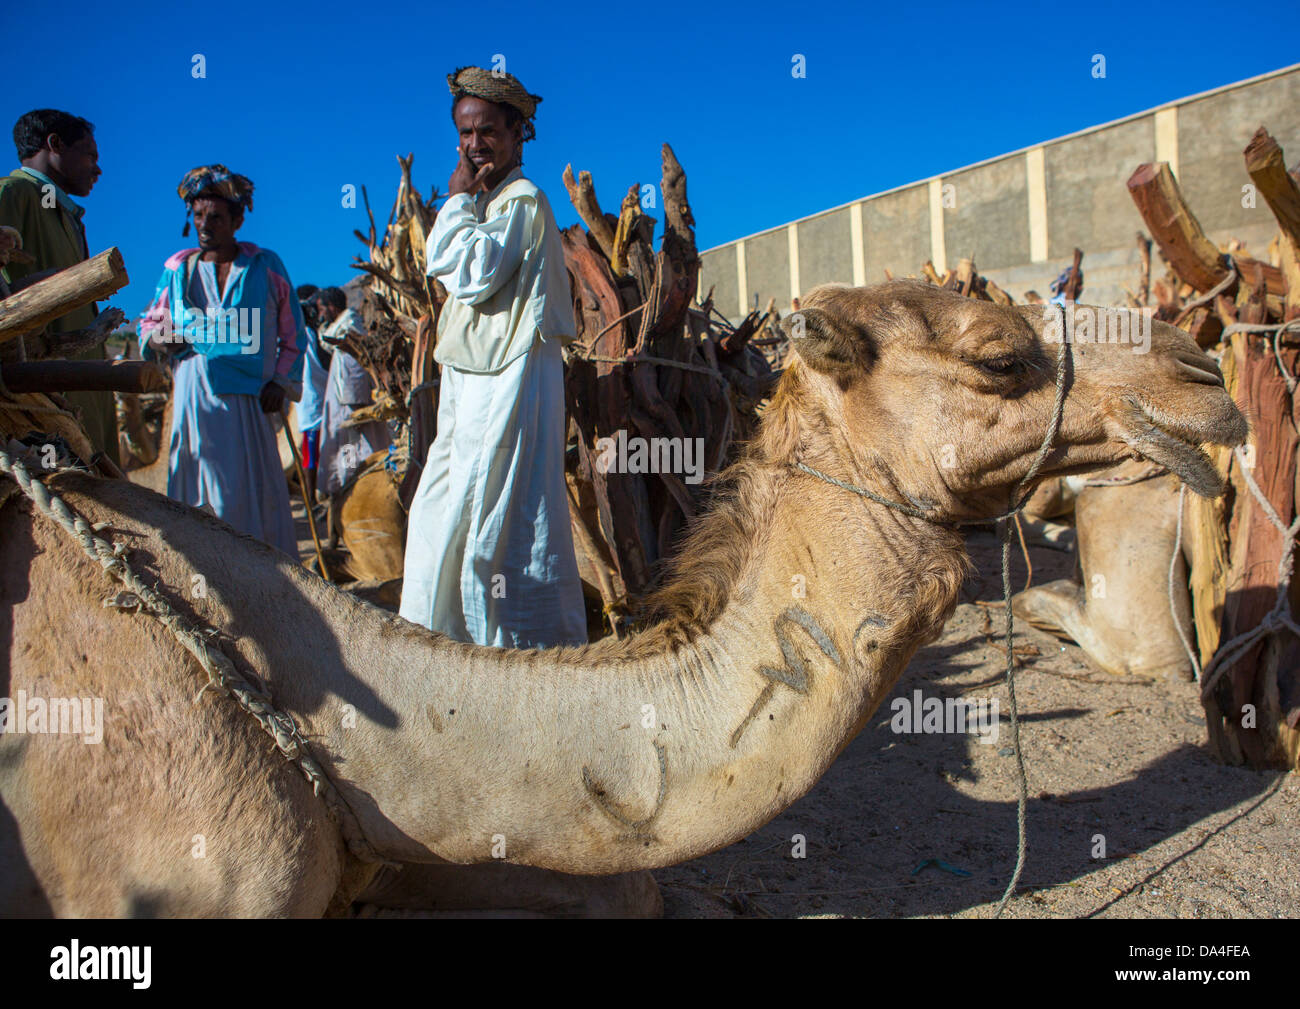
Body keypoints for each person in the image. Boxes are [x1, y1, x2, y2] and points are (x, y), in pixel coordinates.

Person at [398, 66, 585, 649]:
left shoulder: (523, 202)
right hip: (471, 378)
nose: (473, 146)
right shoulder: (491, 203)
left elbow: (475, 274)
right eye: (463, 134)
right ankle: (443, 643)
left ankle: (510, 654)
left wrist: (453, 199)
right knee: (448, 504)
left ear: (518, 132)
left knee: (496, 514)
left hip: (507, 383)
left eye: (486, 132)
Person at [138, 164, 305, 556]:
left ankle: (261, 575)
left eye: (215, 217)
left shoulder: (265, 266)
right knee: (202, 488)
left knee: (245, 492)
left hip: (248, 398)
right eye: (198, 216)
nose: (204, 225)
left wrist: (281, 383)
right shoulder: (178, 269)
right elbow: (149, 325)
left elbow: (293, 332)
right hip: (195, 396)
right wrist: (169, 338)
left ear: (237, 220)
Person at [0, 109, 119, 466]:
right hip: (45, 397)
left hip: (82, 383)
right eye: (89, 155)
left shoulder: (67, 215)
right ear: (54, 145)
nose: (97, 168)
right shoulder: (14, 193)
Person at [314, 286, 388, 501]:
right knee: (346, 443)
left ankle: (356, 484)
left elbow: (355, 369)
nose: (321, 314)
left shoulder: (350, 328)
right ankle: (347, 484)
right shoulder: (340, 330)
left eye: (322, 309)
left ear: (332, 307)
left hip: (350, 401)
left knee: (353, 443)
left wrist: (354, 402)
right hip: (342, 399)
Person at [295, 283, 329, 501]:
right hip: (312, 403)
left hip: (319, 401)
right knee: (311, 456)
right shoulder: (305, 335)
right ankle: (311, 499)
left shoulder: (312, 335)